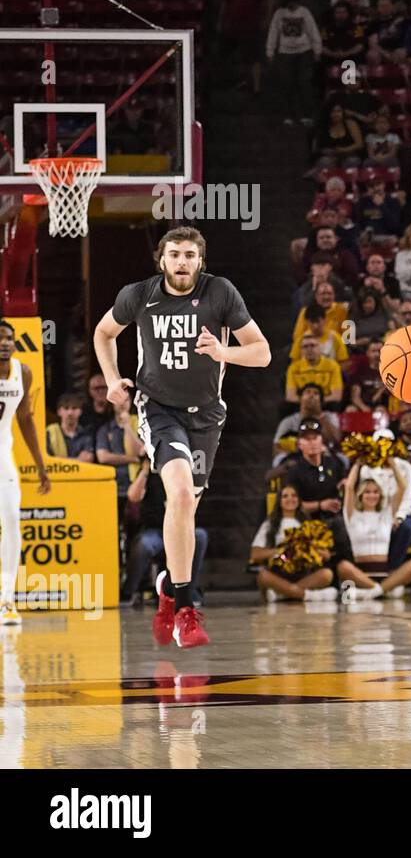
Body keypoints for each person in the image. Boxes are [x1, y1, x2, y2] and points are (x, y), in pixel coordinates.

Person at [93, 228, 270, 647]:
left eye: (190, 255)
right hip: (159, 410)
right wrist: (112, 379)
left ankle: (168, 592)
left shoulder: (220, 293)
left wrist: (223, 352)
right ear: (162, 260)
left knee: (185, 511)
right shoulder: (139, 295)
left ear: (200, 261)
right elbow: (103, 333)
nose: (182, 262)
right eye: (174, 254)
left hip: (207, 417)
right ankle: (187, 610)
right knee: (181, 496)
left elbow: (261, 352)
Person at [0, 322, 52, 625]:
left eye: (9, 339)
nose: (5, 343)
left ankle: (7, 600)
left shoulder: (24, 372)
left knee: (12, 525)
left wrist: (40, 465)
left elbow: (25, 419)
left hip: (4, 459)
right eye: (0, 339)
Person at [122, 458, 208, 605]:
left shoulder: (185, 472)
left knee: (200, 536)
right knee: (144, 544)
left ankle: (188, 590)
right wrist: (145, 470)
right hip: (155, 530)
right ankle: (128, 591)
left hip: (180, 531)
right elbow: (133, 496)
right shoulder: (152, 472)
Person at [338, 460, 411, 600]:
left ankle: (373, 592)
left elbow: (402, 487)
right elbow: (349, 488)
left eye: (376, 492)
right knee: (343, 566)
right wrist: (358, 463)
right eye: (367, 492)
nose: (372, 495)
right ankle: (380, 591)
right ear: (361, 495)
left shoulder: (386, 514)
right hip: (360, 575)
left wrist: (393, 464)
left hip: (385, 576)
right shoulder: (352, 516)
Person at [45, 394, 95, 462]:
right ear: (59, 412)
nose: (70, 413)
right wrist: (78, 460)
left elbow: (88, 459)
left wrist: (60, 459)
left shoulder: (86, 435)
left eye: (74, 408)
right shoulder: (50, 433)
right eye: (66, 408)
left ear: (80, 411)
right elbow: (48, 460)